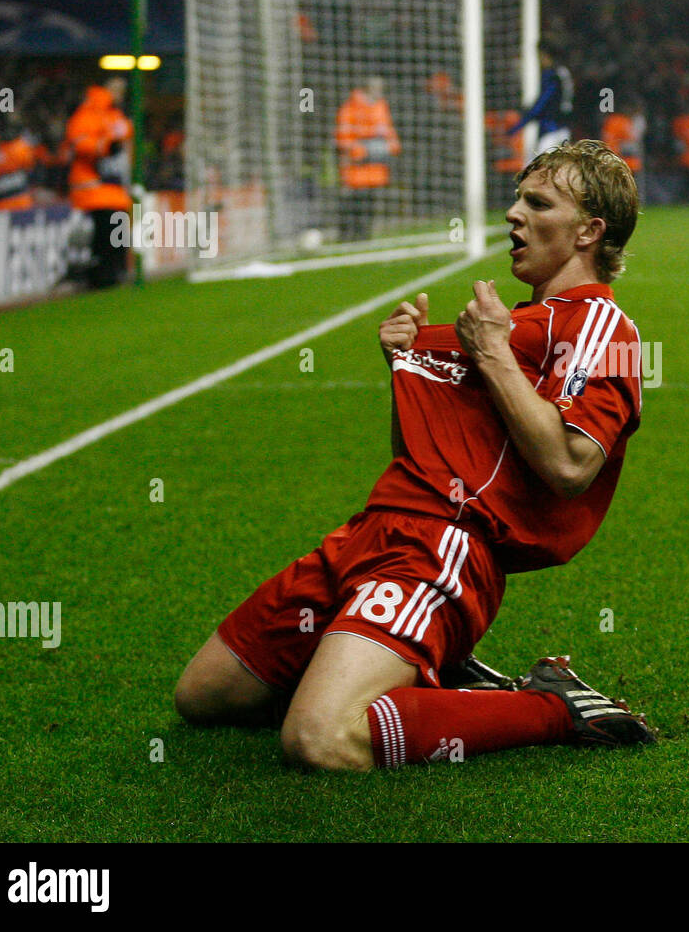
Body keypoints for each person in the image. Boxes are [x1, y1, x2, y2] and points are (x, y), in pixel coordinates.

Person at [175, 140, 655, 770]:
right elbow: (423, 457)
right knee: (203, 696)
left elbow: (571, 466)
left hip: (442, 548)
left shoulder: (602, 328)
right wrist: (403, 366)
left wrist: (491, 354)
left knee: (319, 739)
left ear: (590, 231)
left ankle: (552, 707)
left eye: (538, 204)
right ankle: (427, 675)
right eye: (518, 199)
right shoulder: (504, 325)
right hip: (370, 532)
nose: (513, 213)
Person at [64, 76, 132, 287]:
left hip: (114, 188)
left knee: (116, 231)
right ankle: (101, 276)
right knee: (105, 233)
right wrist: (105, 146)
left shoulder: (116, 115)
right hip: (95, 187)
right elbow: (79, 141)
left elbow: (126, 136)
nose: (121, 94)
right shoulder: (89, 112)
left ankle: (114, 273)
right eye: (117, 89)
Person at [335, 77, 401, 242]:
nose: (379, 92)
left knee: (370, 204)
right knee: (353, 204)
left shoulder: (381, 107)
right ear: (366, 89)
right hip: (356, 169)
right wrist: (358, 150)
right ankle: (347, 238)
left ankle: (364, 237)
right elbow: (343, 138)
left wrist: (391, 146)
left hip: (375, 168)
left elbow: (388, 132)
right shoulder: (350, 108)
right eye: (376, 88)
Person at [507, 40, 574, 158]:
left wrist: (517, 127)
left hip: (550, 131)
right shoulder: (564, 72)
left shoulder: (551, 76)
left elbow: (541, 104)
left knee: (536, 165)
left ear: (545, 55)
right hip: (564, 129)